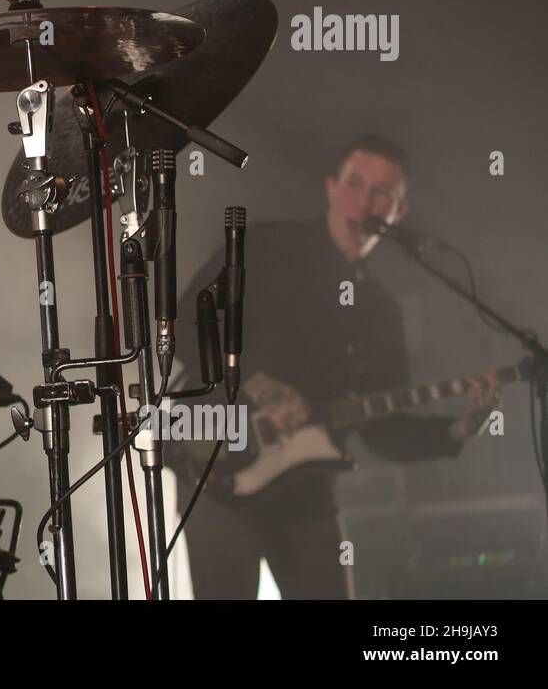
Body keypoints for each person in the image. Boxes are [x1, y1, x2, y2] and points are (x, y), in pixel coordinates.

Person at [170, 134, 499, 599]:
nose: (365, 200)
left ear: (398, 212)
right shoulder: (266, 245)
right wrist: (260, 383)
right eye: (355, 183)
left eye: (383, 192)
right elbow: (186, 322)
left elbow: (384, 431)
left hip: (306, 492)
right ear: (331, 187)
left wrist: (459, 429)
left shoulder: (382, 312)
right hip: (219, 466)